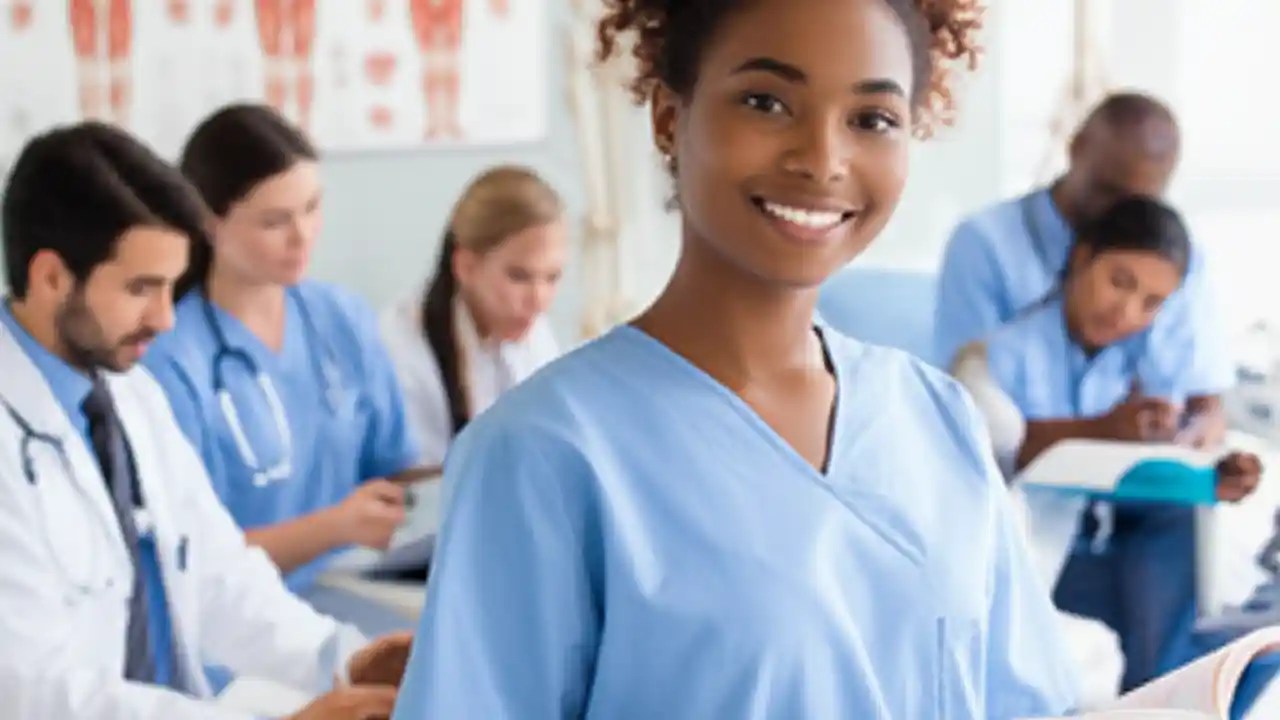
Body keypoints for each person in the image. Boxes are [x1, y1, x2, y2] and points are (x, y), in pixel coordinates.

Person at [392, 0, 1082, 718]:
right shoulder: (544, 452)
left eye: (872, 119)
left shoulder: (938, 419)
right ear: (668, 118)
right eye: (766, 102)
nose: (822, 159)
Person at [0, 122, 414, 718]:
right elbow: (34, 690)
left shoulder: (131, 397)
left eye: (171, 287)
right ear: (50, 278)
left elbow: (218, 574)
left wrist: (345, 660)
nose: (166, 319)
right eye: (142, 288)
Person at [948, 196, 1262, 692]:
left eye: (1152, 303)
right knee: (1167, 636)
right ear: (1080, 258)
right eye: (1119, 282)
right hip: (1048, 548)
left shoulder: (1147, 354)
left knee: (1180, 544)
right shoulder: (1001, 356)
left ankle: (1182, 682)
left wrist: (1205, 461)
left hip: (1123, 541)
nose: (1126, 312)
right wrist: (1106, 428)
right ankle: (1174, 687)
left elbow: (1197, 424)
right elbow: (1002, 451)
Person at [142, 104, 423, 599]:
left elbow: (395, 471)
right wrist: (334, 527)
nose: (303, 236)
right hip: (237, 630)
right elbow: (190, 556)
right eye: (275, 221)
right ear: (209, 222)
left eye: (312, 208)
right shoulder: (169, 361)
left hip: (360, 596)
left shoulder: (343, 319)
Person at [933, 92, 1232, 450]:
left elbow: (1203, 398)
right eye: (1110, 191)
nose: (1126, 217)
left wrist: (1196, 436)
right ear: (1076, 149)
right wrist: (1103, 431)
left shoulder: (1179, 257)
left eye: (1143, 202)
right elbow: (965, 415)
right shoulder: (985, 244)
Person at [380, 165, 565, 478]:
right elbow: (411, 485)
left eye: (552, 277)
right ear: (466, 266)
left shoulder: (532, 327)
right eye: (519, 277)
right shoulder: (400, 348)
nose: (539, 299)